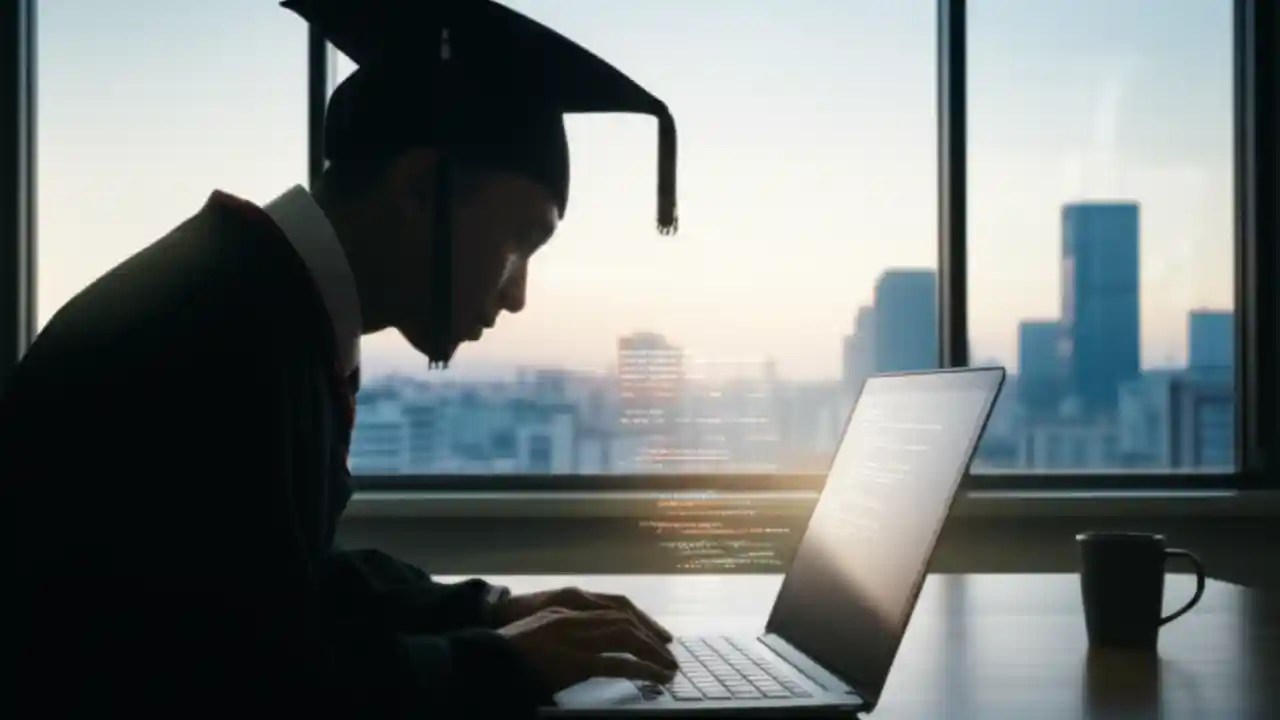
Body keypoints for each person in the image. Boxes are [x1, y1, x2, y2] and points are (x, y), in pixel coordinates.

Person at [0, 0, 680, 716]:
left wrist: (489, 610)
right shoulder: (223, 346)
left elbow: (272, 583)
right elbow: (261, 681)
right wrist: (504, 662)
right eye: (519, 244)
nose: (517, 297)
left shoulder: (246, 295)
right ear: (419, 191)